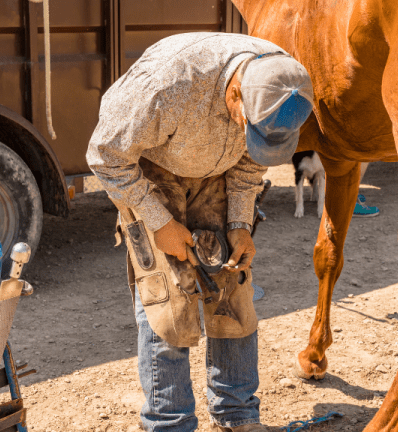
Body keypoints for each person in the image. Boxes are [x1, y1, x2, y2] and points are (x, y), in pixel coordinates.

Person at [87, 32, 313, 432]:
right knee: (170, 300)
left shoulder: (283, 86)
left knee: (233, 292)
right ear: (235, 93)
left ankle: (237, 414)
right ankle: (170, 421)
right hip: (151, 173)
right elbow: (106, 154)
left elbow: (248, 166)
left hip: (216, 173)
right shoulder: (169, 84)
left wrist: (240, 226)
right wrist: (159, 222)